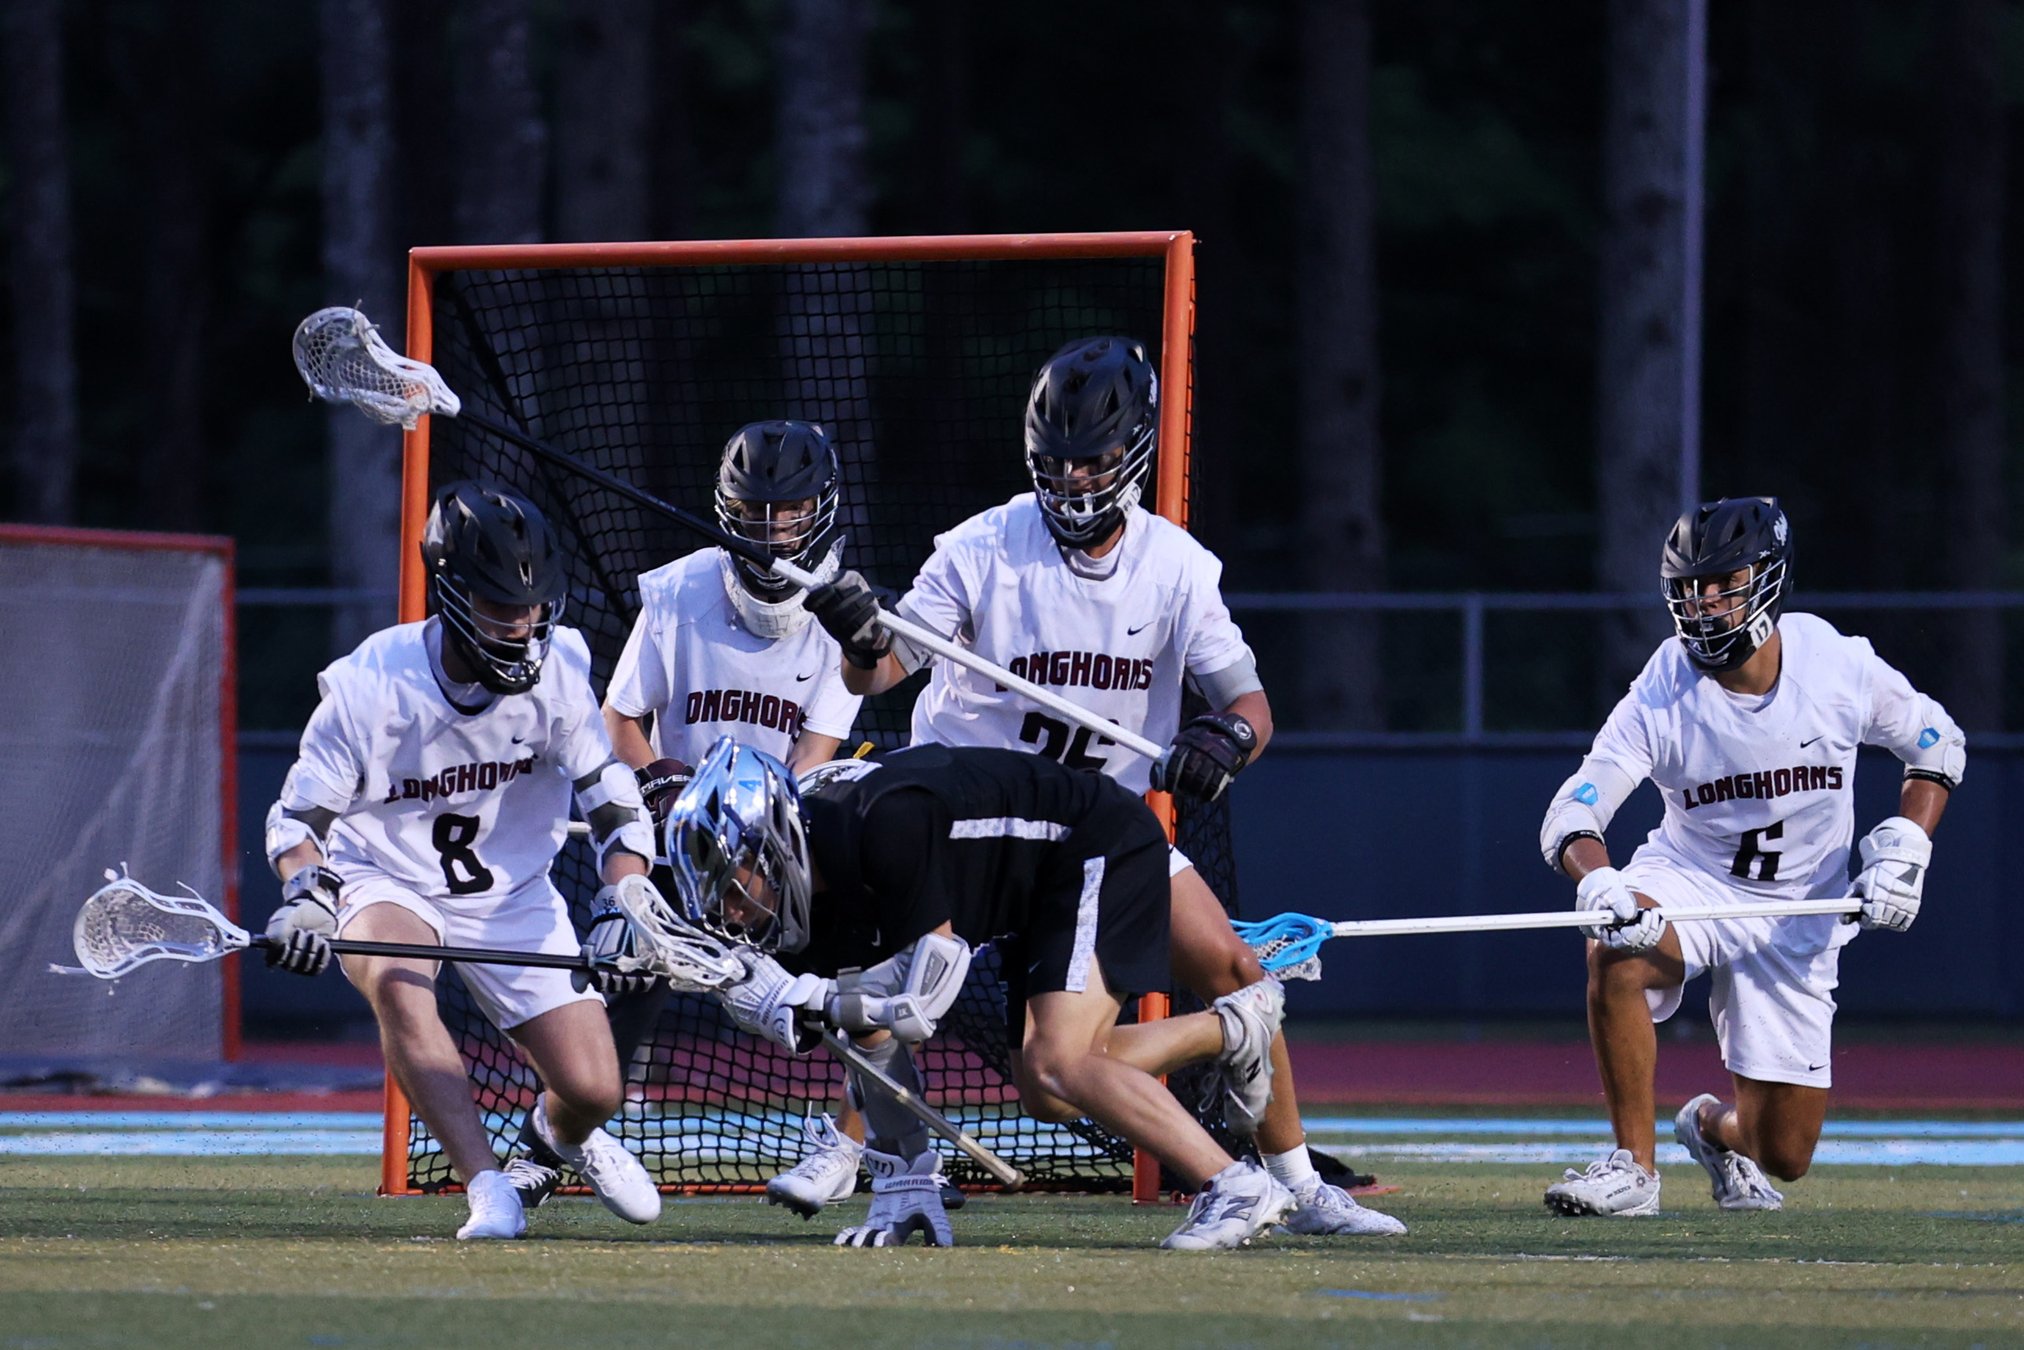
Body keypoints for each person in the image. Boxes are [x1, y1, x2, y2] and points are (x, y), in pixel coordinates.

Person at [800, 335, 1402, 1237]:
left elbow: (1250, 703)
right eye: (1058, 462)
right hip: (974, 831)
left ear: (1137, 453)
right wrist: (857, 635)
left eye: (1095, 461)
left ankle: (1298, 1179)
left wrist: (1221, 738)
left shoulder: (1176, 569)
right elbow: (880, 672)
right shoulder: (981, 548)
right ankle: (887, 1166)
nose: (1075, 481)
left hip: (1095, 839)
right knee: (881, 981)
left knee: (1235, 975)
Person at [668, 736, 1301, 1250]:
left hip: (1091, 839)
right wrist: (906, 1178)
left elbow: (921, 1006)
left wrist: (810, 1003)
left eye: (732, 882)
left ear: (774, 841)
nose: (731, 908)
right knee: (1046, 1092)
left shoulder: (879, 821)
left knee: (1062, 1061)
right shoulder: (805, 886)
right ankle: (1231, 1029)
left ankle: (1234, 1185)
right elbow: (869, 1039)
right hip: (1029, 890)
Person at [1539, 497, 1962, 1216]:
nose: (1706, 606)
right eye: (1692, 590)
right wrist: (1601, 880)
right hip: (1695, 881)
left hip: (1802, 913)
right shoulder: (1662, 690)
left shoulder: (1835, 663)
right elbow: (1573, 811)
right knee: (1615, 949)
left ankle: (1710, 1128)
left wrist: (1908, 848)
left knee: (1785, 1152)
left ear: (1768, 579)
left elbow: (1935, 743)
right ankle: (1633, 1168)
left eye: (1724, 584)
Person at [262, 481, 663, 1240]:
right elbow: (300, 818)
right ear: (449, 593)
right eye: (501, 608)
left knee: (593, 1086)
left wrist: (626, 900)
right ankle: (489, 1188)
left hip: (511, 893)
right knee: (399, 978)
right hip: (388, 875)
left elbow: (611, 800)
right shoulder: (369, 687)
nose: (523, 626)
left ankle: (561, 1138)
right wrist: (307, 894)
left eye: (534, 605)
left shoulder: (559, 675)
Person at [500, 420, 865, 1213]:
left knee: (875, 961)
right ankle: (551, 1144)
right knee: (620, 959)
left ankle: (873, 1150)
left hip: (780, 842)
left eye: (793, 513)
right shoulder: (679, 591)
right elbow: (622, 719)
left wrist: (753, 843)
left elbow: (815, 753)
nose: (774, 532)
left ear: (821, 512)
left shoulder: (845, 614)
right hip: (676, 837)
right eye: (757, 512)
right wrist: (668, 786)